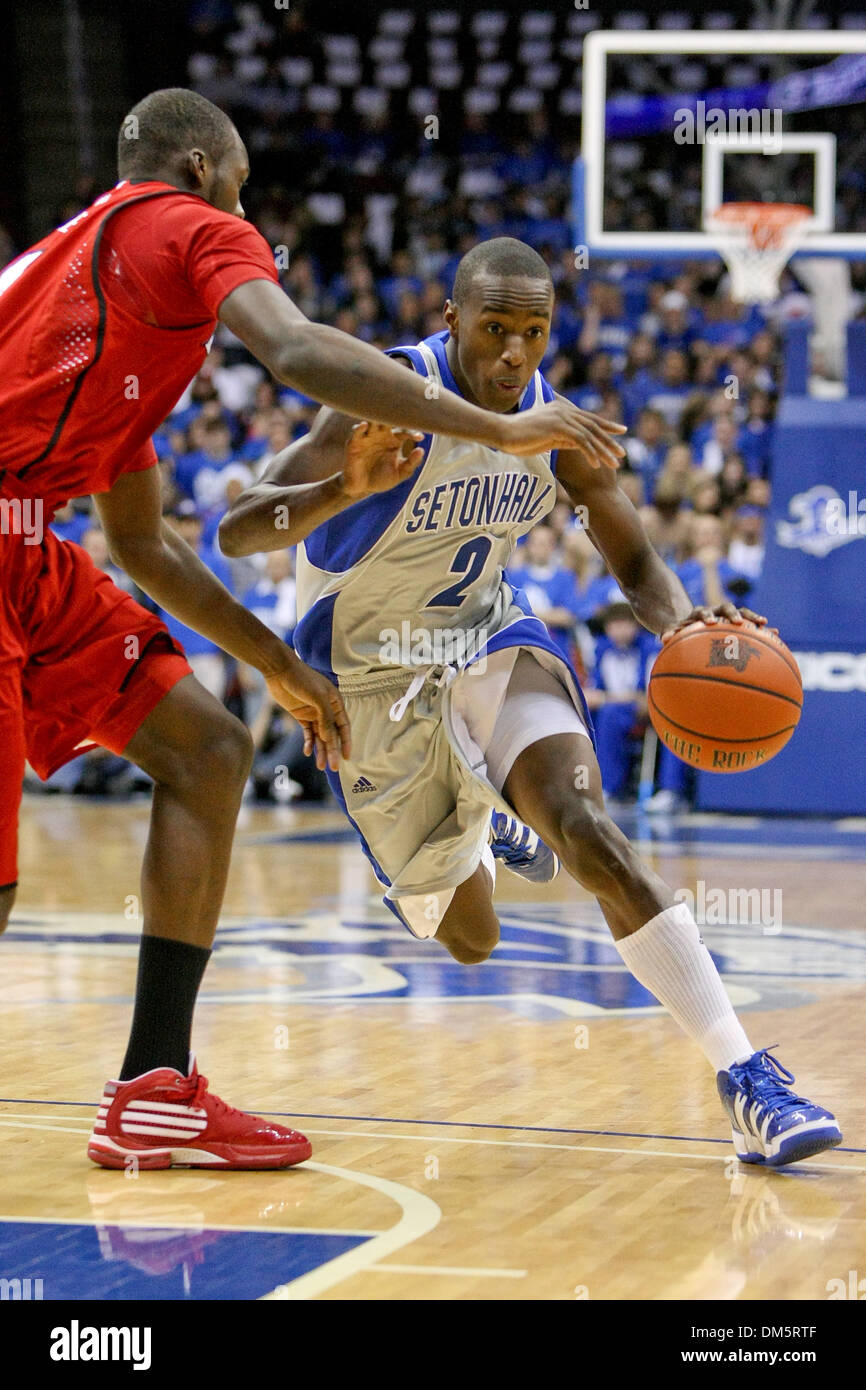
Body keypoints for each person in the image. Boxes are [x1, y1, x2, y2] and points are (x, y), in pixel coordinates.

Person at [0, 91, 608, 1173]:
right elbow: (294, 350)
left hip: (25, 544)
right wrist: (500, 427)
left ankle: (154, 1088)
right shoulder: (179, 219)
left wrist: (278, 664)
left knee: (207, 749)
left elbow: (142, 547)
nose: (251, 219)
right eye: (241, 188)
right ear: (200, 166)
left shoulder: (107, 306)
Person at [221, 236, 841, 1168]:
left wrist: (679, 625)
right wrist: (340, 486)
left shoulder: (556, 428)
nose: (514, 354)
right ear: (453, 322)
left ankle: (746, 1074)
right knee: (474, 939)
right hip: (364, 674)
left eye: (534, 333)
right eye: (495, 329)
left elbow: (631, 557)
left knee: (589, 829)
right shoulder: (383, 394)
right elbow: (238, 530)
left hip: (482, 638)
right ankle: (475, 814)